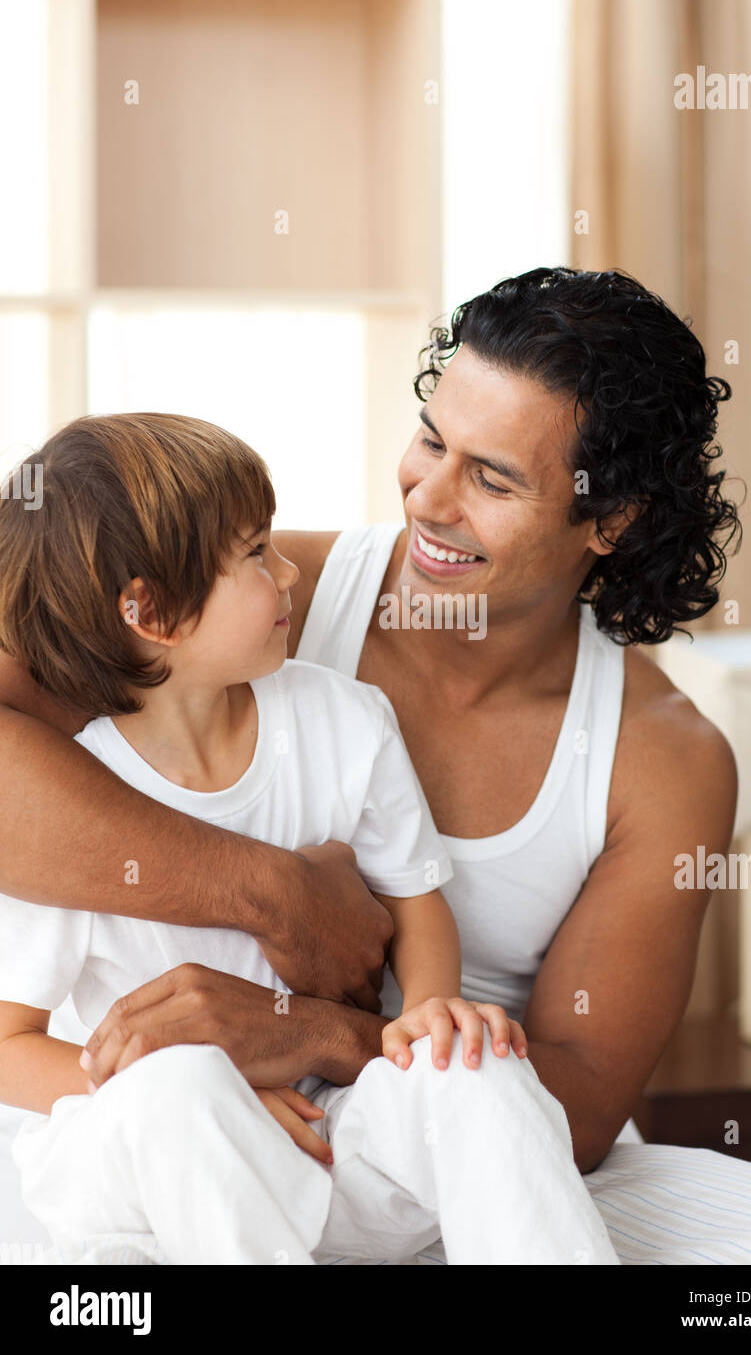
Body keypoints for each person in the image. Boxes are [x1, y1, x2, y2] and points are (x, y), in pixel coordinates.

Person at [1, 267, 751, 1264]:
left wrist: (321, 1032)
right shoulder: (245, 598)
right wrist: (268, 892)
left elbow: (578, 1103)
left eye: (494, 478)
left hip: (450, 1139)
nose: (428, 499)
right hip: (175, 1127)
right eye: (429, 438)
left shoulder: (661, 758)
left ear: (611, 518)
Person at [0, 412, 619, 1266]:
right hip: (154, 1175)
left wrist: (433, 1017)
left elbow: (418, 904)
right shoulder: (71, 793)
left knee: (474, 1061)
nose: (290, 570)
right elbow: (9, 1042)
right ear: (150, 611)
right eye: (255, 554)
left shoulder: (344, 720)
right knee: (177, 1081)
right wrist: (214, 1097)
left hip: (327, 1135)